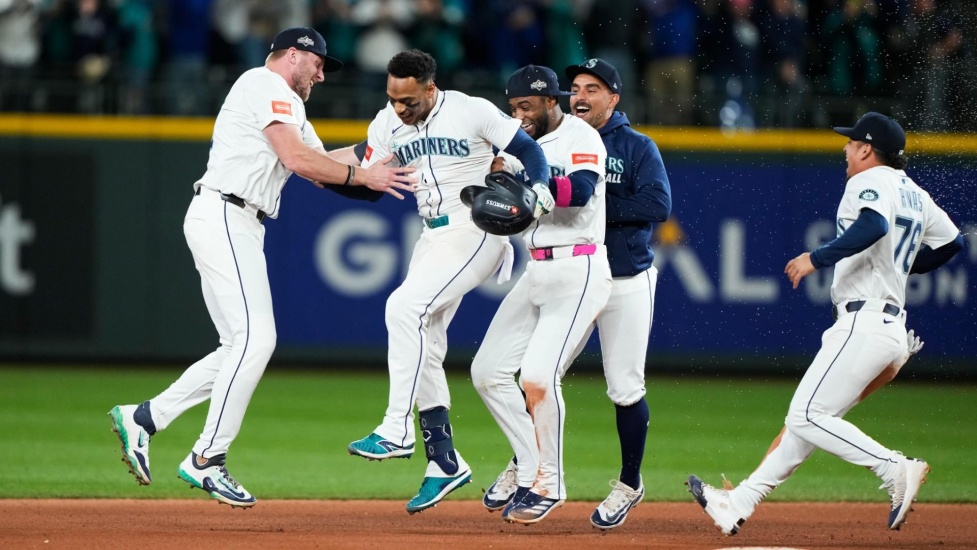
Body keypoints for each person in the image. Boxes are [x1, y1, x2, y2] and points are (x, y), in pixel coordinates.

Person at [108, 27, 415, 508]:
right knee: (256, 340)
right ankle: (208, 459)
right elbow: (299, 160)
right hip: (227, 212)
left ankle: (145, 418)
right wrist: (363, 175)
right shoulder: (263, 84)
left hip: (239, 220)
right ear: (294, 55)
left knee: (238, 344)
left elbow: (322, 162)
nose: (321, 74)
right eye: (318, 64)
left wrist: (384, 142)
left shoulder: (287, 101)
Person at [687, 112, 964, 535]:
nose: (846, 149)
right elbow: (952, 243)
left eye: (852, 143)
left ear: (868, 149)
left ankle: (893, 468)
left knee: (805, 416)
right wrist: (900, 264)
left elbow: (874, 224)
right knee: (807, 424)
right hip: (888, 328)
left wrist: (815, 258)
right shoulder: (915, 193)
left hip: (864, 321)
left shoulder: (866, 181)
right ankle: (737, 503)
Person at [344, 49, 553, 514]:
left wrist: (538, 187)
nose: (400, 108)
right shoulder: (386, 123)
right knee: (425, 343)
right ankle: (444, 462)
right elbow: (372, 173)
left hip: (475, 225)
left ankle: (396, 428)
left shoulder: (470, 110)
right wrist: (318, 167)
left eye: (408, 100)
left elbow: (528, 150)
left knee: (402, 309)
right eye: (393, 98)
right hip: (430, 234)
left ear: (429, 88)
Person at [472, 64, 612, 525]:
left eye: (527, 106)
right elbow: (499, 180)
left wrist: (539, 186)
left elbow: (584, 191)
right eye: (513, 108)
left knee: (536, 376)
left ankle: (549, 482)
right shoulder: (518, 143)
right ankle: (528, 466)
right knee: (488, 372)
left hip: (579, 267)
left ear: (552, 100)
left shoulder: (581, 137)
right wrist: (497, 179)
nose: (520, 115)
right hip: (538, 270)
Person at [563, 58, 672, 530]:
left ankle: (630, 483)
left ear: (614, 98)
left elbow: (657, 204)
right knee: (537, 376)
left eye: (593, 87)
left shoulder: (636, 146)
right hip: (573, 275)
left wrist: (592, 201)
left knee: (624, 386)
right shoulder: (559, 141)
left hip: (626, 277)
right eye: (574, 87)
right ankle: (529, 467)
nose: (580, 95)